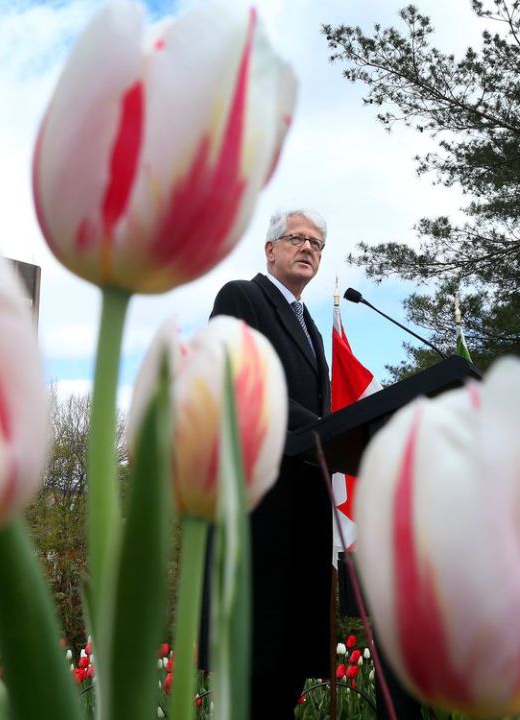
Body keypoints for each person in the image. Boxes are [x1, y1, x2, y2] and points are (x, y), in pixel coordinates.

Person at [209, 209, 333, 716]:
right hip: (259, 511)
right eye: (297, 238)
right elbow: (238, 374)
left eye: (318, 244)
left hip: (303, 517)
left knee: (286, 679)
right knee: (253, 677)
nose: (309, 248)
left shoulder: (313, 333)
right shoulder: (243, 297)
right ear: (270, 249)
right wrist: (327, 430)